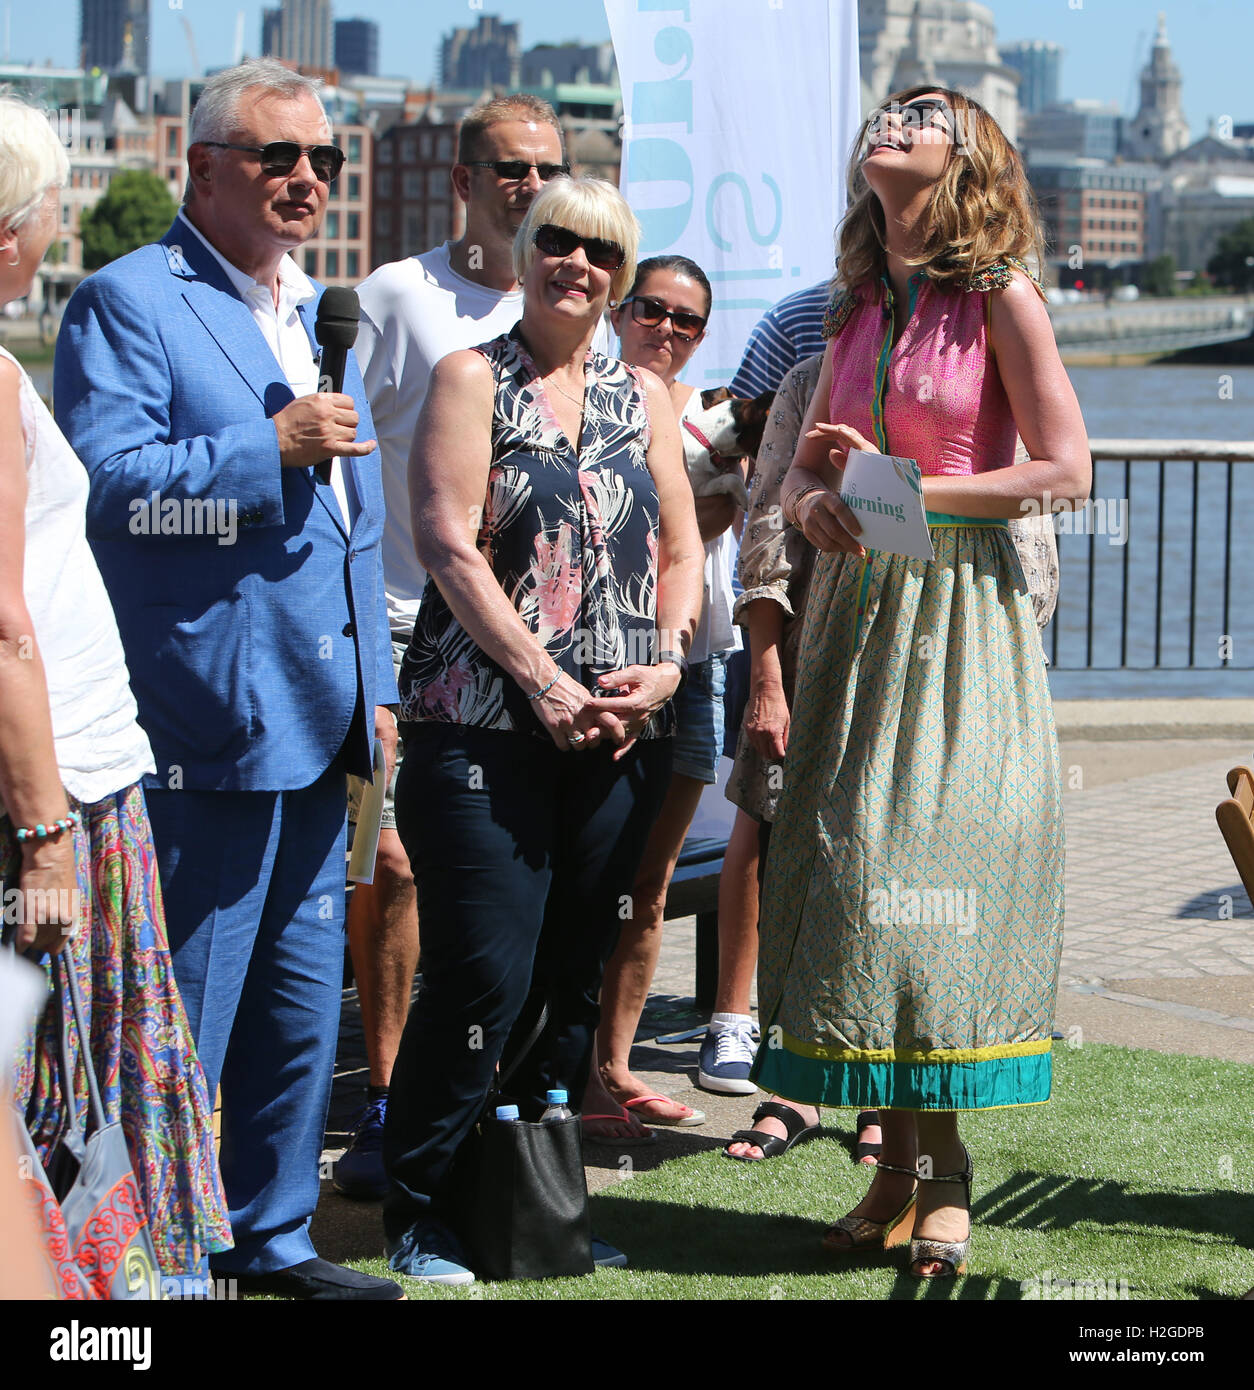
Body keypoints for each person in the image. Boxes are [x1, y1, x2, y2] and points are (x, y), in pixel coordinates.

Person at [53, 59, 402, 1301]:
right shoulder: (124, 301)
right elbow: (115, 498)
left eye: (324, 159)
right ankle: (172, 1253)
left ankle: (277, 1232)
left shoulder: (320, 309)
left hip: (328, 717)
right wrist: (264, 449)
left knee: (304, 1005)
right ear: (204, 169)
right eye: (278, 156)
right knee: (188, 1009)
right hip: (210, 715)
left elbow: (352, 516)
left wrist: (380, 683)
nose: (307, 177)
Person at [754, 86, 1089, 1277]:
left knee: (927, 881)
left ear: (969, 161)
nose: (892, 119)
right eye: (889, 109)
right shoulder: (851, 311)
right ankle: (895, 1170)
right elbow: (798, 477)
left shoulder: (1000, 297)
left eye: (925, 114)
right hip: (854, 614)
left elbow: (1065, 469)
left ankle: (940, 1176)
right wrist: (812, 501)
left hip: (960, 620)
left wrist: (905, 489)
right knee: (856, 881)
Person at [382, 177, 703, 1285]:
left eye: (603, 252)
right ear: (524, 252)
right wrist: (544, 684)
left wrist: (666, 661)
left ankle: (534, 1203)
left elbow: (680, 550)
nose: (579, 264)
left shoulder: (642, 397)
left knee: (572, 975)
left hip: (616, 735)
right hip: (482, 729)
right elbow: (447, 543)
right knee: (481, 973)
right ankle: (418, 1202)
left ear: (620, 276)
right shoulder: (474, 376)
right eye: (558, 242)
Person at [339, 94, 609, 1199]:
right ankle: (388, 1097)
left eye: (546, 170)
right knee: (390, 866)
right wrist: (358, 647)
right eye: (507, 170)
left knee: (525, 903)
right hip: (409, 640)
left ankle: (491, 1117)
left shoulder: (577, 306)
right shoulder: (401, 297)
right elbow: (349, 464)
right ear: (462, 180)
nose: (529, 187)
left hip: (547, 669)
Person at [0, 91, 229, 1287]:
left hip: (63, 779)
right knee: (56, 1099)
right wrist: (42, 834)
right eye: (47, 213)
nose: (52, 236)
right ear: (10, 233)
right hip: (57, 796)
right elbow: (2, 626)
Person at [579, 254, 738, 1140]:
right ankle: (558, 1068)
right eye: (652, 310)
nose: (666, 330)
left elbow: (716, 530)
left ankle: (613, 1067)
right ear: (618, 310)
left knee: (650, 881)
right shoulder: (581, 392)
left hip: (694, 659)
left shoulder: (716, 416)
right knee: (583, 871)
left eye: (687, 320)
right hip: (600, 662)